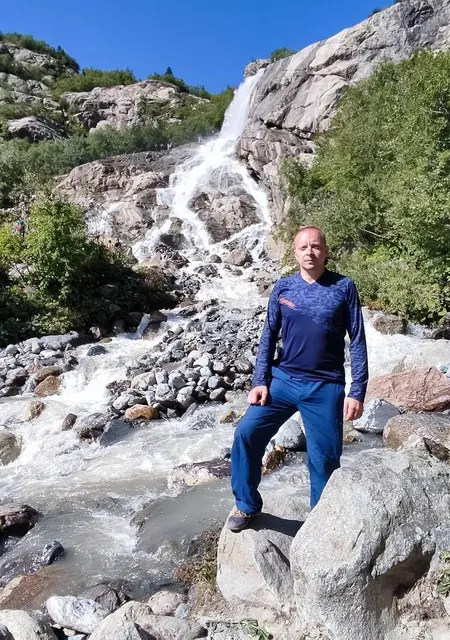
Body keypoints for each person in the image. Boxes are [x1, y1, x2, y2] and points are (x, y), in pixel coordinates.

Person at [227, 226, 368, 533]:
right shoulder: (283, 288)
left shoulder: (344, 287)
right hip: (283, 380)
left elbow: (357, 339)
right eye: (303, 247)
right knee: (246, 434)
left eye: (315, 246)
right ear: (295, 253)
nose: (309, 252)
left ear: (326, 251)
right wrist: (259, 380)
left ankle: (320, 524)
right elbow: (268, 335)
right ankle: (247, 505)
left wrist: (357, 390)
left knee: (324, 458)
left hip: (326, 386)